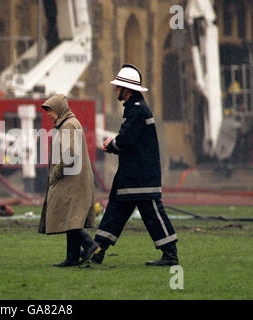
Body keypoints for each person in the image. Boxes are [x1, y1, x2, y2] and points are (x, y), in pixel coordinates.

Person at [92, 64, 179, 266]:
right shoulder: (135, 109)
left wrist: (111, 144)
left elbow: (127, 140)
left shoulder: (138, 110)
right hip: (132, 175)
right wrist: (115, 142)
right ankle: (97, 250)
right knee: (114, 211)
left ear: (127, 90)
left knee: (152, 214)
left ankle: (170, 255)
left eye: (118, 87)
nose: (115, 90)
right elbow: (129, 137)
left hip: (141, 177)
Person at [38, 94, 101, 267]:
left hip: (72, 179)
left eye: (50, 110)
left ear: (59, 109)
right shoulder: (68, 123)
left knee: (70, 217)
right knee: (71, 217)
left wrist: (56, 172)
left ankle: (90, 245)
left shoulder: (67, 126)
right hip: (75, 179)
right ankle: (72, 257)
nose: (48, 114)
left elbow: (70, 154)